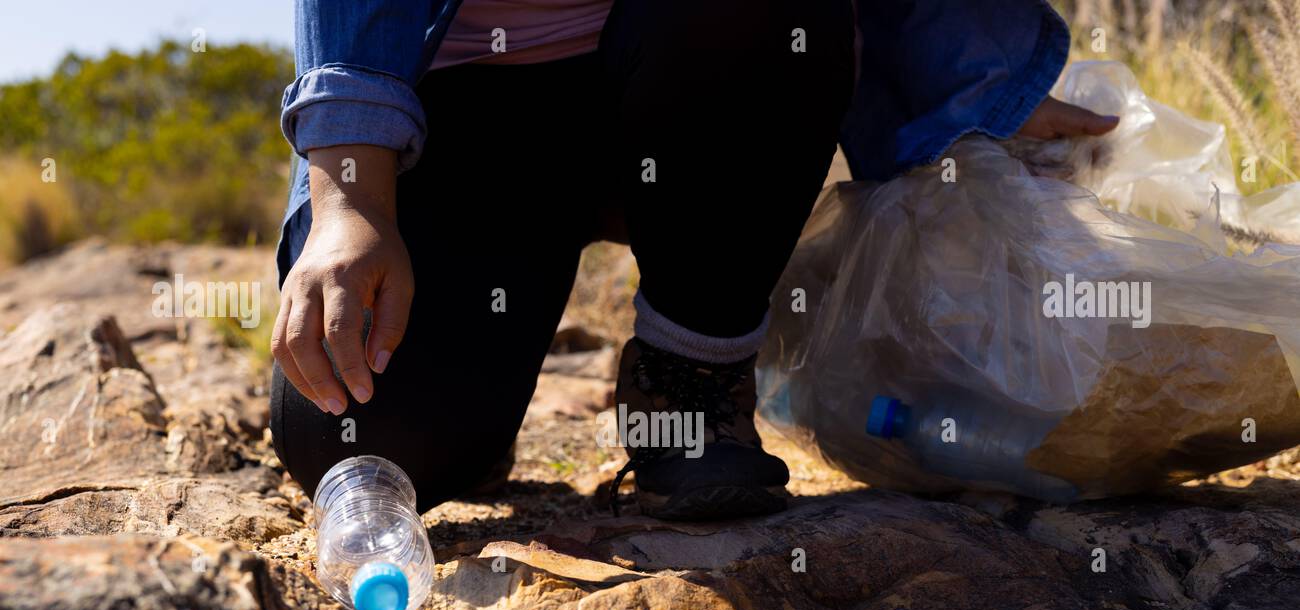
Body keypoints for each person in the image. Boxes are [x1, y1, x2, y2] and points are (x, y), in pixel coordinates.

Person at [270, 0, 1118, 520]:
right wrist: (352, 204)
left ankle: (689, 377)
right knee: (359, 437)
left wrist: (977, 90)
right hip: (460, 114)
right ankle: (489, 372)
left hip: (693, 76)